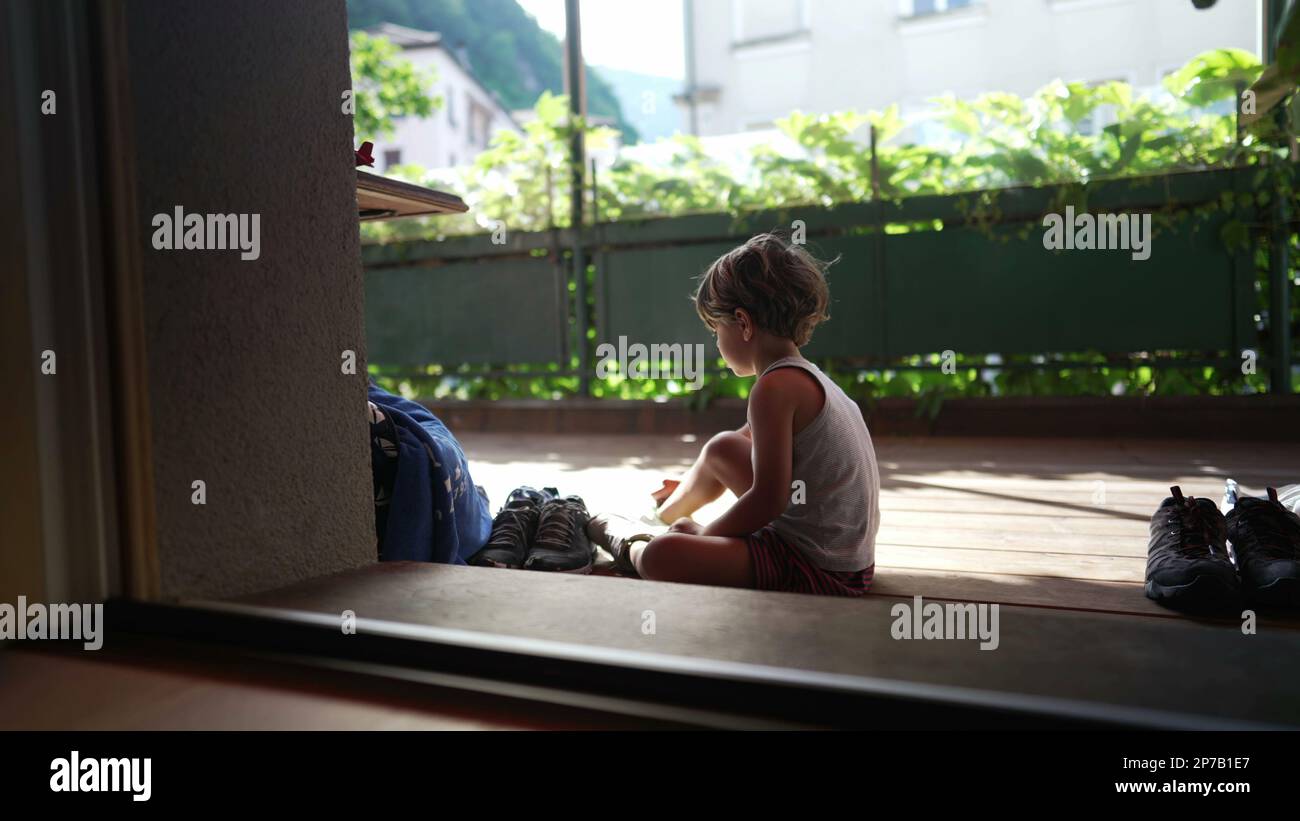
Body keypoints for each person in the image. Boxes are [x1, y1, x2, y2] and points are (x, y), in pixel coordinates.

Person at [605, 233, 880, 597]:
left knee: (662, 555)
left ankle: (625, 536)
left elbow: (769, 499)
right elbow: (742, 445)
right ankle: (665, 514)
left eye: (715, 329)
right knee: (722, 447)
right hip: (846, 558)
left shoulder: (772, 389)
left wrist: (707, 534)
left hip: (817, 568)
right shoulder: (804, 376)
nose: (716, 343)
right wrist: (687, 486)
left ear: (743, 323)